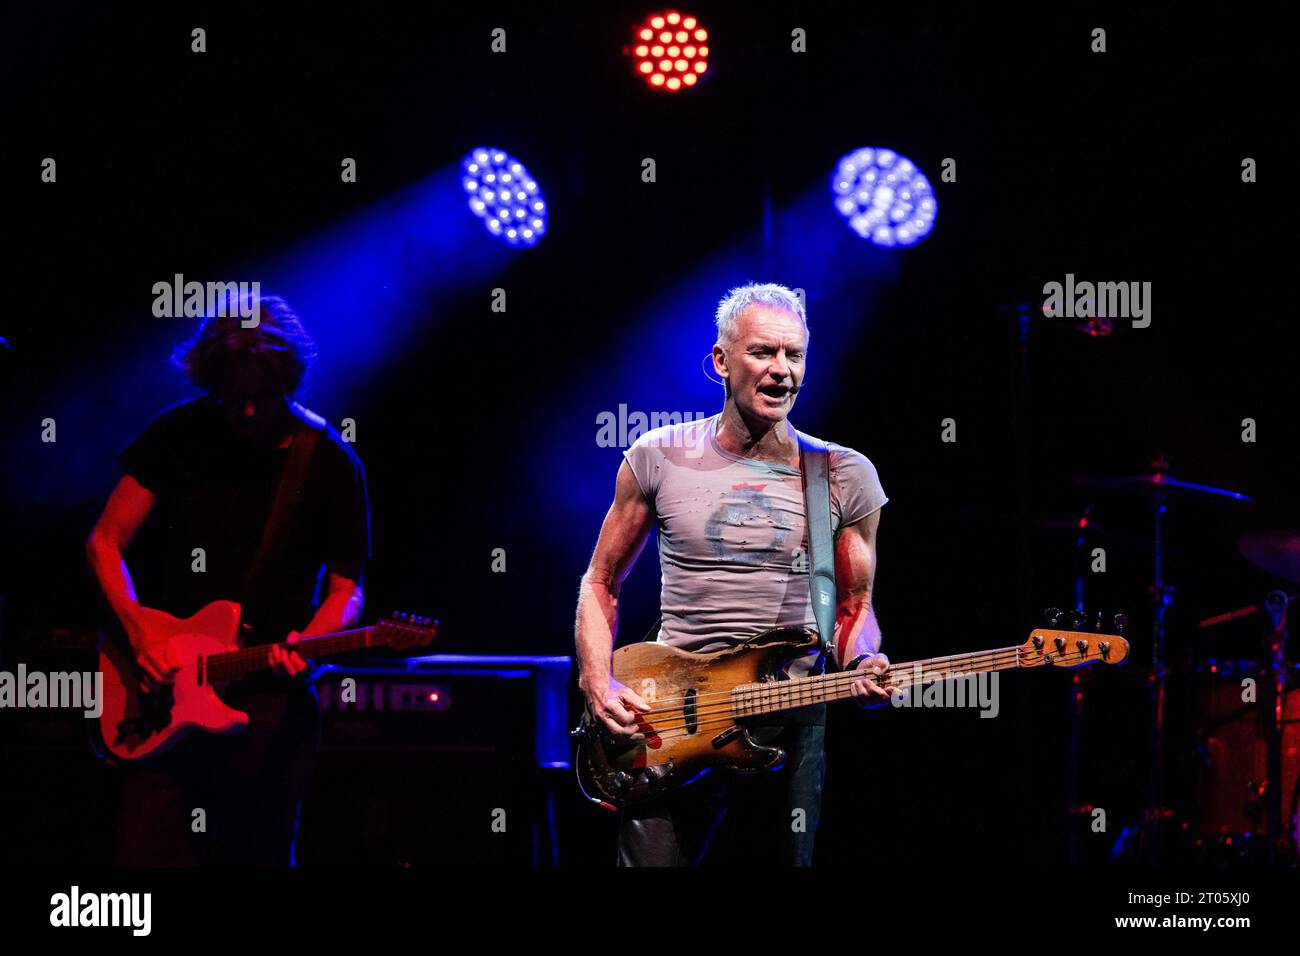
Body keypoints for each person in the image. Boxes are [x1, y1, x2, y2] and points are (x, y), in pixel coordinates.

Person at [575, 282, 893, 866]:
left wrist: (865, 659)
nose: (781, 371)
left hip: (787, 719)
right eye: (763, 353)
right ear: (721, 360)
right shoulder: (658, 455)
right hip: (668, 717)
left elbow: (854, 609)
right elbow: (600, 581)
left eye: (794, 355)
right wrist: (598, 681)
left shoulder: (844, 474)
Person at [85, 294, 370, 865]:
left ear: (285, 378)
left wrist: (310, 646)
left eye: (260, 396)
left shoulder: (328, 460)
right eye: (232, 396)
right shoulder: (179, 434)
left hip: (268, 702)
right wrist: (140, 636)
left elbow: (347, 589)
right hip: (162, 689)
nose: (244, 412)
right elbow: (104, 542)